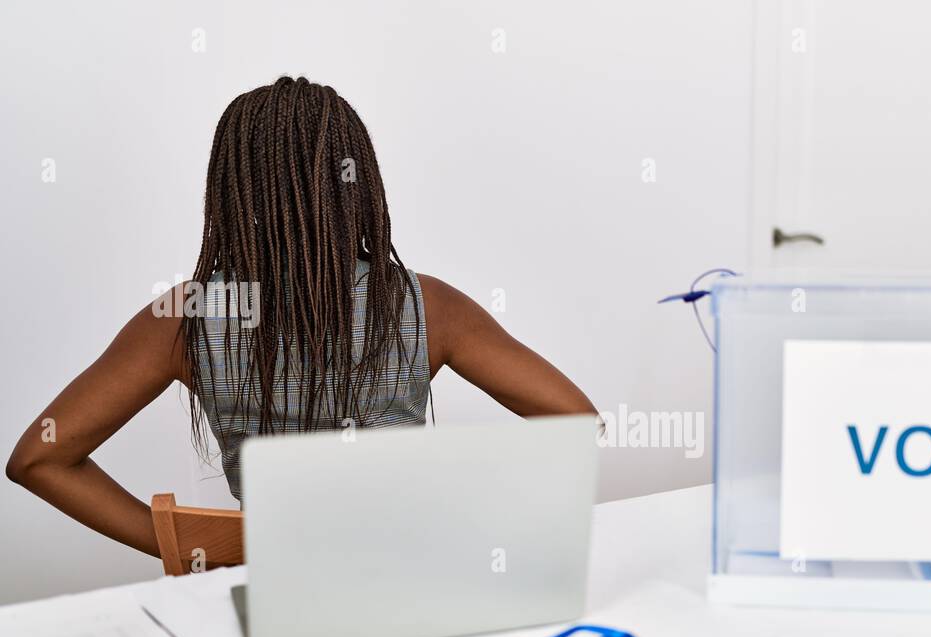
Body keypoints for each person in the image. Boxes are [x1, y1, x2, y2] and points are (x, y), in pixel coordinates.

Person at [6, 76, 597, 557]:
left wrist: (195, 546)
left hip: (268, 593)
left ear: (231, 190)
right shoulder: (426, 306)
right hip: (416, 575)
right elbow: (576, 420)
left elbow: (40, 459)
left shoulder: (184, 317)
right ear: (357, 182)